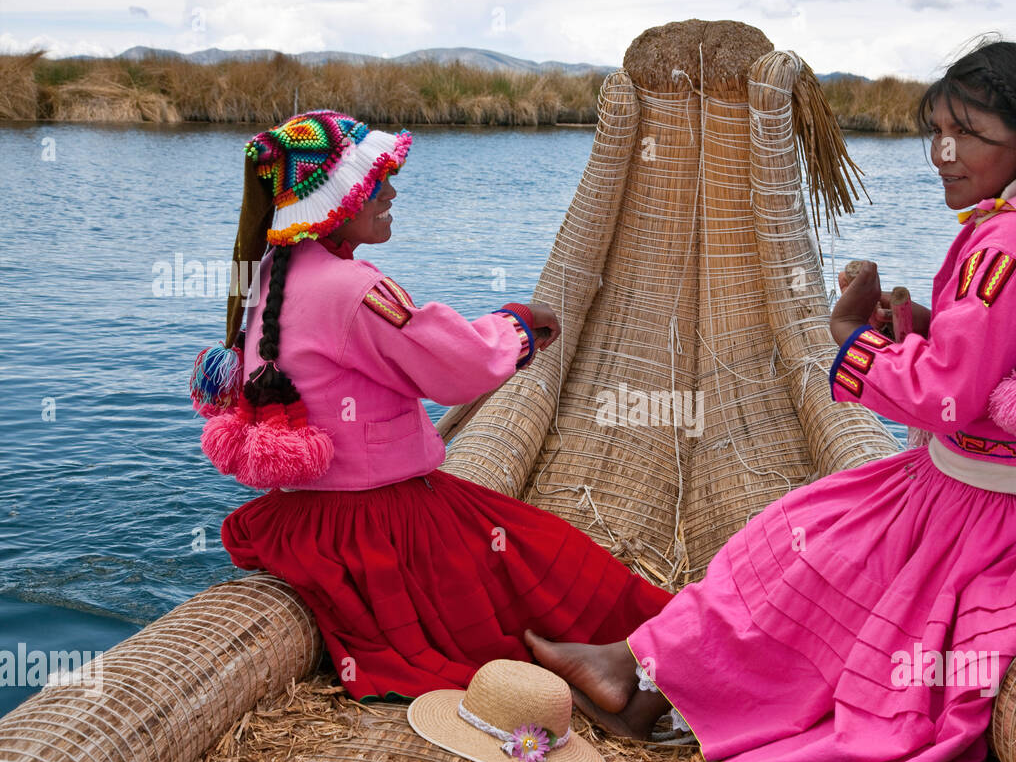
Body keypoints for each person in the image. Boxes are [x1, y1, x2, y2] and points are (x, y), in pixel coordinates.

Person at [524, 39, 1016, 762]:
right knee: (792, 532)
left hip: (989, 513)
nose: (945, 154)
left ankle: (634, 677)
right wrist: (913, 321)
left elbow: (946, 394)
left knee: (800, 546)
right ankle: (637, 675)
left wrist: (857, 341)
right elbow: (1006, 355)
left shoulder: (1005, 243)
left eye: (971, 134)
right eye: (938, 133)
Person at [188, 109, 672, 702]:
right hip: (378, 524)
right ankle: (660, 661)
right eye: (375, 182)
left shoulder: (271, 276)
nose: (391, 191)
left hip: (304, 518)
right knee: (562, 567)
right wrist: (516, 327)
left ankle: (628, 666)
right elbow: (452, 367)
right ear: (335, 202)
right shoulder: (355, 289)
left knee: (531, 557)